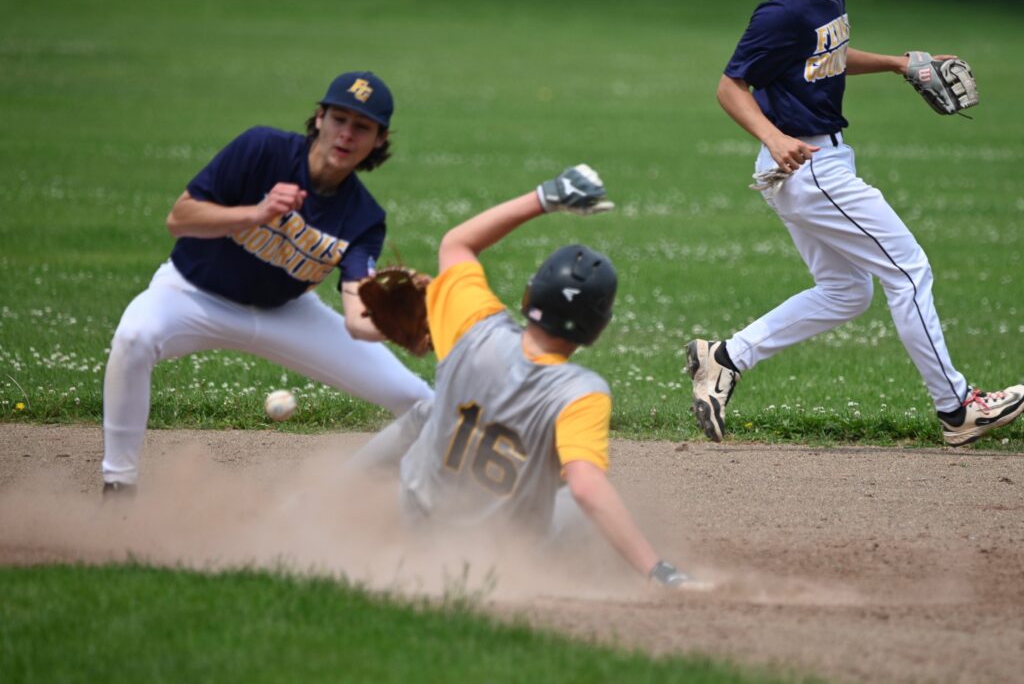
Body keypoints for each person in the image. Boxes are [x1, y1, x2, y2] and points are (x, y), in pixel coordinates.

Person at [687, 0, 1023, 447]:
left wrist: (898, 63)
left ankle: (724, 357)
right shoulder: (781, 12)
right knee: (909, 269)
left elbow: (829, 57)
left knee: (847, 291)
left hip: (809, 163)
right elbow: (729, 85)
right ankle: (957, 408)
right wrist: (772, 136)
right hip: (810, 166)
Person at [357, 164, 705, 589]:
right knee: (578, 497)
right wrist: (657, 569)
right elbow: (586, 488)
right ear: (596, 327)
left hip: (416, 515)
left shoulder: (472, 326)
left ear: (531, 293)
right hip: (492, 555)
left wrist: (546, 196)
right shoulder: (581, 393)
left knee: (428, 413)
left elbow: (456, 243)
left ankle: (338, 495)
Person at [101, 71, 433, 493]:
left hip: (286, 314)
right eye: (339, 119)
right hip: (191, 294)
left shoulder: (365, 218)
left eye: (362, 126)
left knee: (421, 402)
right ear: (319, 118)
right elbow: (179, 219)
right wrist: (255, 214)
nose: (346, 134)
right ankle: (118, 483)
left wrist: (411, 328)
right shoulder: (262, 149)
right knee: (134, 337)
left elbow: (356, 318)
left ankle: (341, 496)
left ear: (379, 140)